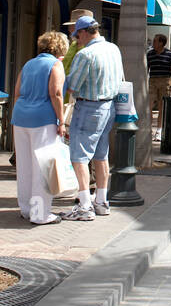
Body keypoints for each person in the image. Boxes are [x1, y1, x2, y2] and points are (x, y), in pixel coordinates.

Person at [61, 15, 125, 221]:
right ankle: (101, 201)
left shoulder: (86, 54)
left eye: (77, 35)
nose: (76, 39)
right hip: (109, 106)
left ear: (85, 32)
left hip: (89, 106)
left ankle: (85, 205)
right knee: (101, 155)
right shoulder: (114, 49)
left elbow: (72, 86)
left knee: (79, 157)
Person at [11, 31, 69, 225]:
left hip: (20, 117)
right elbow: (56, 93)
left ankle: (26, 209)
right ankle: (40, 213)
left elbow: (17, 92)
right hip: (42, 118)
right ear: (60, 48)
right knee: (42, 167)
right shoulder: (55, 65)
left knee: (25, 166)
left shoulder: (28, 64)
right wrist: (61, 121)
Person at [146, 34, 171, 141]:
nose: (153, 43)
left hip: (165, 81)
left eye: (155, 41)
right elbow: (146, 69)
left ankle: (159, 131)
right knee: (149, 106)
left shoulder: (170, 54)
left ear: (161, 43)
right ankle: (148, 129)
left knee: (162, 107)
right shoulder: (150, 54)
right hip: (152, 81)